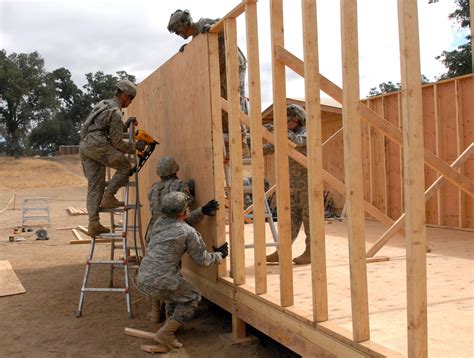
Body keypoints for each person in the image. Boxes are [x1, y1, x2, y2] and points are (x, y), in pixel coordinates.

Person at [137, 191, 228, 349]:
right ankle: (166, 333)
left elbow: (179, 221)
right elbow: (203, 260)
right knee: (192, 297)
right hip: (161, 281)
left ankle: (169, 325)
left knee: (175, 295)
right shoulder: (188, 232)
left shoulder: (159, 222)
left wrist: (201, 211)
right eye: (187, 208)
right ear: (184, 211)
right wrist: (220, 255)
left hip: (143, 277)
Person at [167, 9, 250, 157]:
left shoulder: (203, 24)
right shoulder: (196, 37)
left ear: (184, 25)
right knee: (220, 101)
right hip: (220, 68)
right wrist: (190, 49)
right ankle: (229, 139)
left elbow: (226, 24)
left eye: (178, 32)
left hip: (232, 63)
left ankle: (241, 139)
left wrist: (214, 28)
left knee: (233, 98)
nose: (179, 35)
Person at [79, 80, 146, 237]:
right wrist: (135, 146)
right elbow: (117, 142)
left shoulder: (103, 104)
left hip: (85, 146)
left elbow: (107, 127)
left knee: (95, 185)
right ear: (123, 95)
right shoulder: (116, 112)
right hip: (98, 144)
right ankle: (109, 197)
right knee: (125, 166)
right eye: (130, 98)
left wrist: (125, 124)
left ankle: (93, 223)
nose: (130, 102)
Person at [263, 104, 312, 265]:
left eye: (287, 119)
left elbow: (295, 141)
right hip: (291, 185)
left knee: (309, 220)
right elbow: (268, 148)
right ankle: (282, 251)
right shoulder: (286, 135)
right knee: (290, 221)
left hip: (308, 186)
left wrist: (275, 130)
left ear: (296, 119)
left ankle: (312, 252)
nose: (284, 122)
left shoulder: (306, 134)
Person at [145, 156, 219, 245]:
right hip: (169, 235)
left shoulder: (154, 188)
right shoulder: (179, 185)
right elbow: (182, 217)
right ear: (175, 169)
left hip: (153, 235)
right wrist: (202, 210)